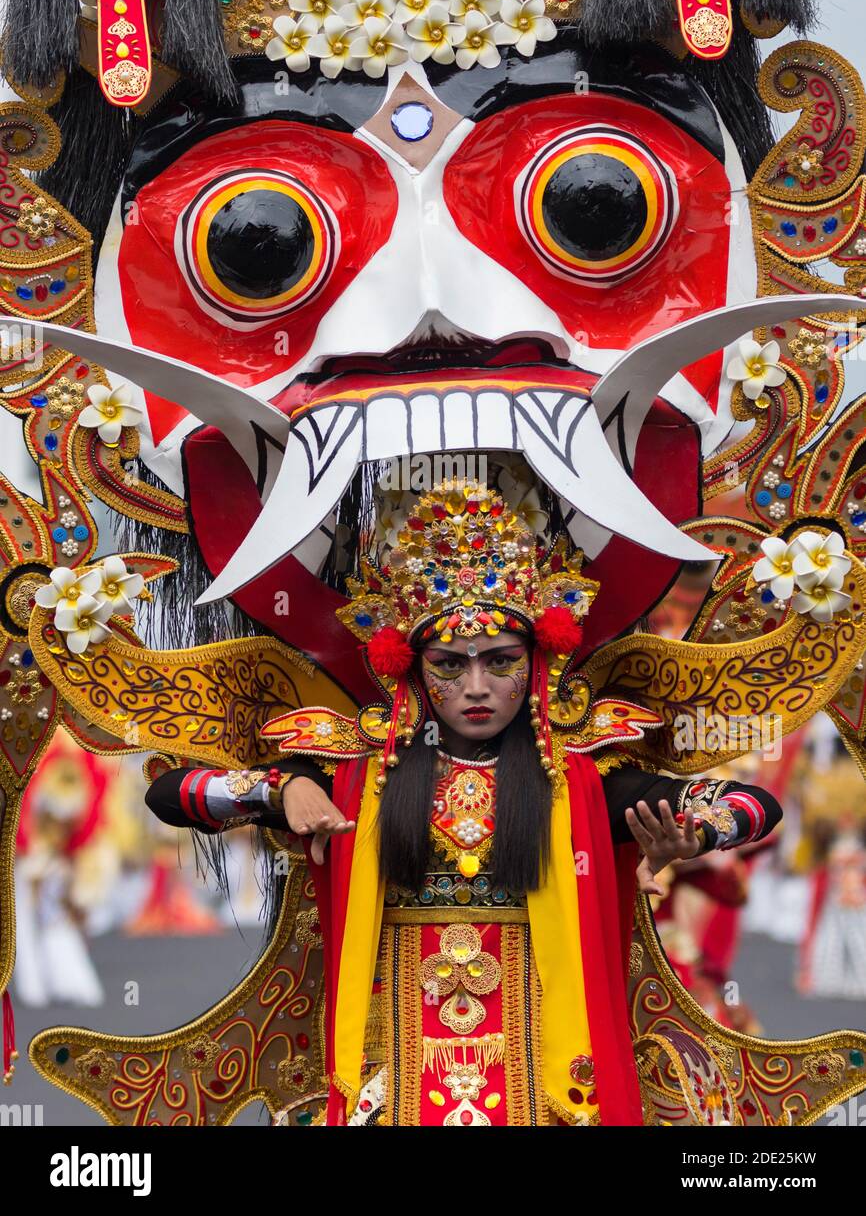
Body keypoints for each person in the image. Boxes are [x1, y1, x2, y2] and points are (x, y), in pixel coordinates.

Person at [146, 482, 781, 1126]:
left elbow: (751, 803)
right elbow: (173, 795)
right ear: (411, 667)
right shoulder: (358, 775)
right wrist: (281, 788)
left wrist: (694, 832)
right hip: (394, 1074)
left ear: (536, 661)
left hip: (543, 1076)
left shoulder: (578, 781)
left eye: (501, 662)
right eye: (449, 664)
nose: (476, 687)